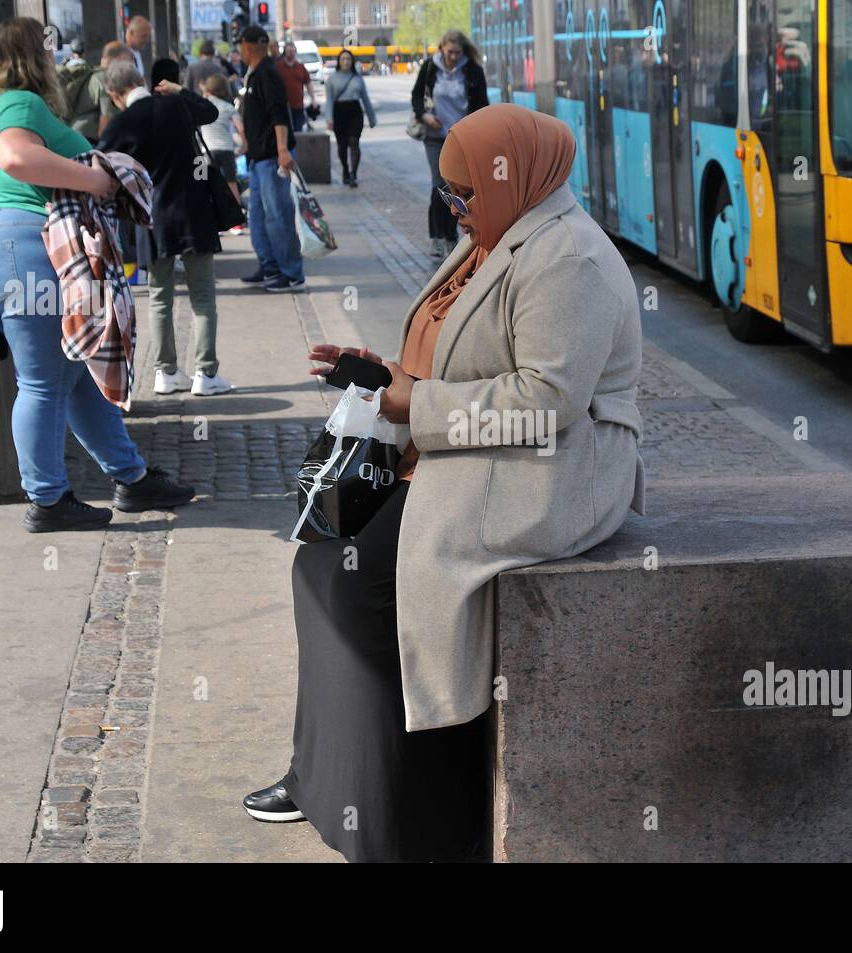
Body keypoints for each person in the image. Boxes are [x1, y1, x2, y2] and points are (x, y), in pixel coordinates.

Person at [241, 104, 646, 862]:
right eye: (448, 193)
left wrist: (414, 402)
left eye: (463, 194)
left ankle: (399, 819)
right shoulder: (497, 233)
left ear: (511, 176)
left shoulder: (568, 258)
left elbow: (547, 405)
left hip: (548, 469)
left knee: (364, 592)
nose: (453, 209)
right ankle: (326, 774)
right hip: (463, 448)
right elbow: (453, 353)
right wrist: (385, 376)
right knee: (320, 566)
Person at [0, 17, 195, 532]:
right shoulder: (19, 101)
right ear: (32, 58)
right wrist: (93, 179)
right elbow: (17, 157)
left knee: (76, 373)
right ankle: (47, 500)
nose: (54, 59)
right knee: (44, 382)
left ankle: (131, 477)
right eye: (47, 52)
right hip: (25, 250)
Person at [99, 63, 234, 398]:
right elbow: (210, 110)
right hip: (192, 211)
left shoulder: (125, 119)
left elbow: (101, 160)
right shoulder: (177, 104)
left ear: (116, 94)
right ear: (141, 81)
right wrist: (181, 90)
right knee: (202, 294)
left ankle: (165, 373)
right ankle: (206, 374)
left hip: (151, 217)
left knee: (160, 297)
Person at [235, 25, 305, 293]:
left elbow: (278, 113)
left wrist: (283, 149)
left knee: (279, 216)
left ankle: (291, 273)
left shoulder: (268, 73)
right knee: (258, 216)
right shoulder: (253, 74)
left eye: (242, 44)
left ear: (249, 46)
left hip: (273, 157)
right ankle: (270, 267)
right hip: (258, 158)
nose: (240, 49)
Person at [411, 30, 488, 260]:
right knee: (440, 185)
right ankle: (439, 237)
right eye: (449, 52)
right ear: (442, 48)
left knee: (457, 188)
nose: (453, 56)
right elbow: (416, 97)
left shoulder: (472, 70)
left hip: (461, 138)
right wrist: (424, 116)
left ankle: (451, 236)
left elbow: (482, 104)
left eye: (457, 52)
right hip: (435, 135)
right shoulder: (430, 67)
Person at [324, 49, 376, 188]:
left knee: (354, 142)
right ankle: (345, 170)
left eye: (348, 59)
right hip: (339, 113)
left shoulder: (358, 78)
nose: (346, 61)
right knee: (342, 146)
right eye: (343, 59)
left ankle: (353, 174)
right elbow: (329, 100)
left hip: (355, 113)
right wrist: (329, 118)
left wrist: (372, 118)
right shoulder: (332, 79)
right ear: (339, 61)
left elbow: (365, 99)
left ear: (352, 61)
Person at [65, 40, 132, 145]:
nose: (130, 66)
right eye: (129, 61)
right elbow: (105, 127)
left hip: (74, 136)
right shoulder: (107, 79)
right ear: (120, 59)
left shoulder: (94, 74)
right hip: (88, 142)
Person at [200, 72, 245, 204]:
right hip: (226, 149)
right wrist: (244, 146)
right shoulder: (228, 107)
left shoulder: (202, 105)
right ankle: (237, 216)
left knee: (206, 183)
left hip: (207, 151)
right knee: (231, 182)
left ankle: (210, 213)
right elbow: (241, 128)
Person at [274, 42, 316, 132]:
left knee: (298, 131)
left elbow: (308, 83)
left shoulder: (300, 67)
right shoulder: (278, 66)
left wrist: (313, 99)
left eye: (292, 50)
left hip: (299, 106)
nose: (291, 52)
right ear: (284, 51)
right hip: (283, 107)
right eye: (289, 50)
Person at [125, 15, 151, 79]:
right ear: (131, 33)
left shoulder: (137, 52)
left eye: (148, 36)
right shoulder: (122, 56)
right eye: (144, 36)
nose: (147, 40)